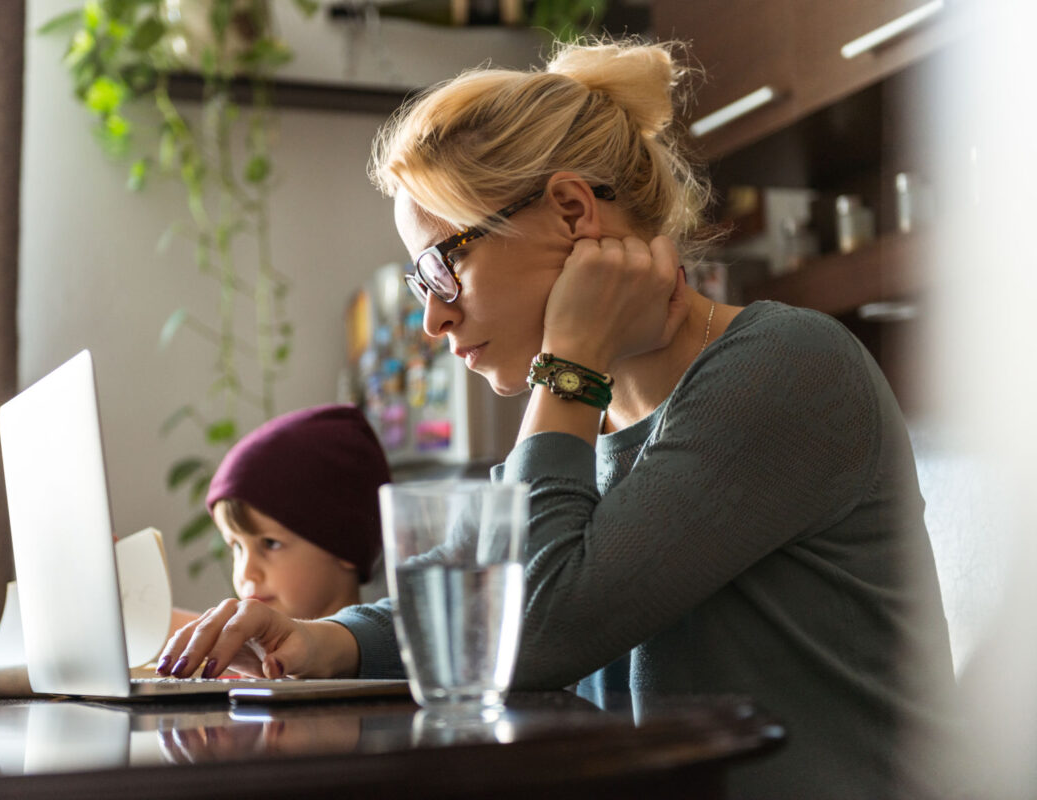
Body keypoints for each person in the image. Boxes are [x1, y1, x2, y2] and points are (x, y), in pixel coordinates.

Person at [157, 38, 961, 796]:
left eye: (442, 265)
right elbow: (472, 586)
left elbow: (532, 632)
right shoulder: (593, 418)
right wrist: (324, 640)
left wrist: (570, 362)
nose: (433, 321)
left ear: (574, 211)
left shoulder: (786, 366)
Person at [160, 403, 390, 680]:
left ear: (346, 544)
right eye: (236, 546)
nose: (246, 572)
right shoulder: (249, 663)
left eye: (270, 544)